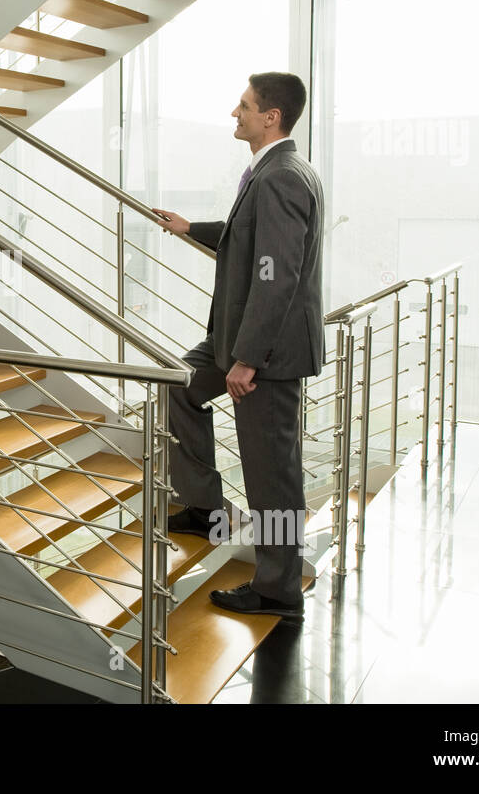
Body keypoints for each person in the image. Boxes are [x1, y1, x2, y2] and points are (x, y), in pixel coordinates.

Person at [151, 72, 323, 620]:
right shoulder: (274, 171)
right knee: (177, 386)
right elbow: (249, 238)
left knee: (273, 472)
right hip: (231, 339)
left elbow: (279, 275)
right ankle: (203, 506)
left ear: (271, 117)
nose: (235, 113)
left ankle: (277, 587)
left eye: (244, 106)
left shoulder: (281, 177)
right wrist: (189, 228)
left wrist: (248, 358)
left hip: (263, 354)